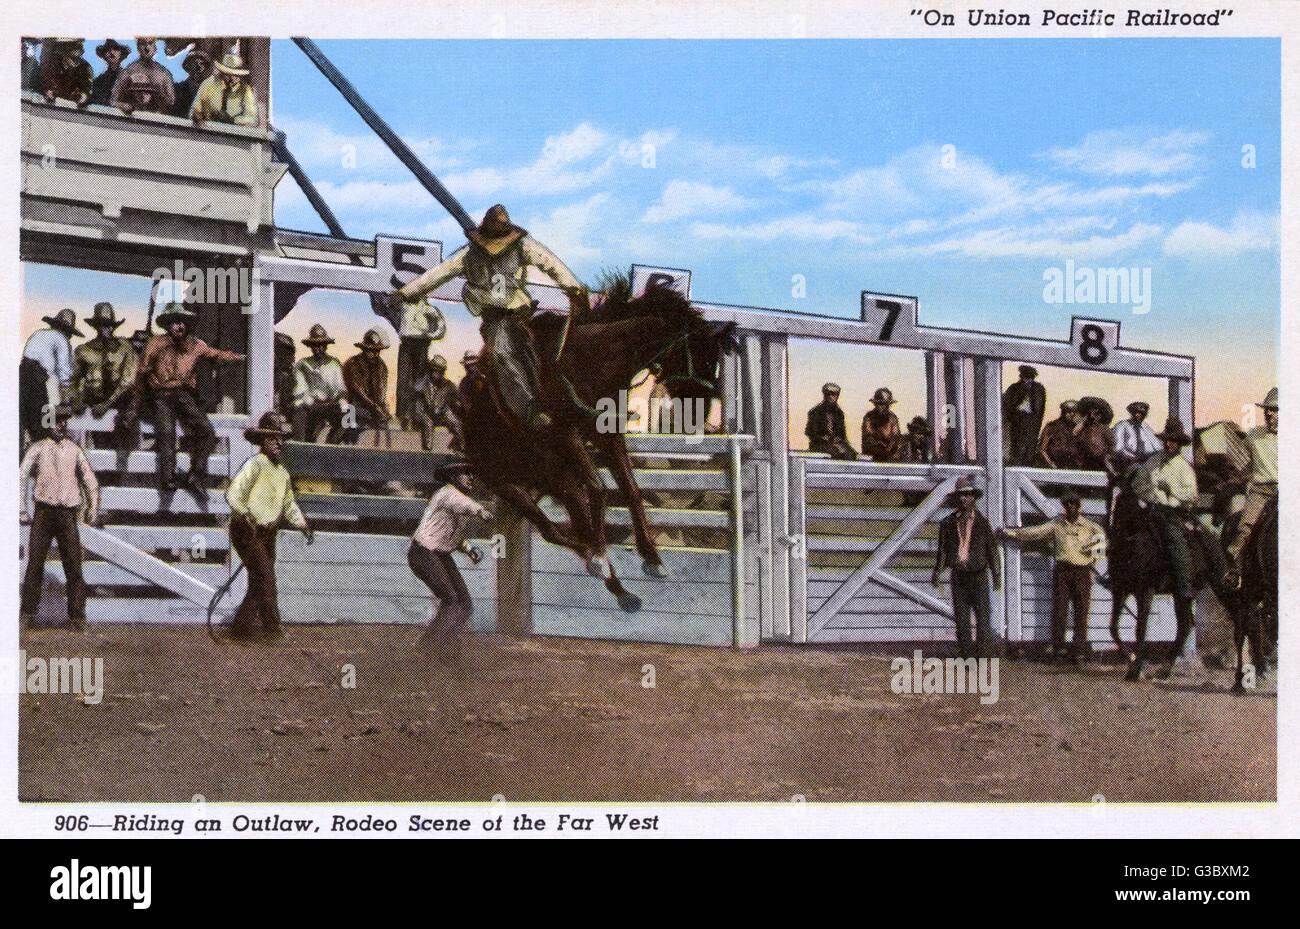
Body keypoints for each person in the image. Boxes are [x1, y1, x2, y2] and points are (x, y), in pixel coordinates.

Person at [389, 204, 589, 433]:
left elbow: (550, 263)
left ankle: (576, 399)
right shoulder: (469, 255)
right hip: (495, 320)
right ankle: (530, 412)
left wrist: (574, 289)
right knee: (502, 353)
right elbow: (439, 273)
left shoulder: (522, 247)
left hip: (520, 313)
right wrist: (406, 292)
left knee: (557, 339)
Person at [135, 303, 245, 493]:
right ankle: (168, 478)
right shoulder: (155, 343)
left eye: (183, 322)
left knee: (207, 432)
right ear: (168, 324)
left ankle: (196, 474)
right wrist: (140, 400)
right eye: (175, 322)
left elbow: (218, 354)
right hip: (160, 396)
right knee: (167, 433)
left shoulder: (195, 345)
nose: (179, 326)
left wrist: (242, 357)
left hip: (184, 395)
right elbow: (142, 373)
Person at [224, 412, 313, 642]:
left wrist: (301, 523)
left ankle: (240, 628)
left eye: (281, 439)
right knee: (265, 577)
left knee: (259, 579)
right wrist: (246, 516)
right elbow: (234, 494)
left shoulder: (282, 473)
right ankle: (272, 630)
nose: (279, 443)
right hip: (247, 530)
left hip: (268, 532)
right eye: (273, 438)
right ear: (262, 441)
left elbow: (288, 503)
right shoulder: (255, 465)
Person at [999, 491, 1106, 663]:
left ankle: (1078, 651)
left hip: (1083, 572)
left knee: (1081, 612)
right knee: (1059, 611)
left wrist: (1092, 561)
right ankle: (1059, 649)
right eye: (1067, 504)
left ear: (1080, 506)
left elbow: (1101, 546)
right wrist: (1010, 533)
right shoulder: (1057, 525)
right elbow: (1034, 532)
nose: (1071, 507)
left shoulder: (1091, 527)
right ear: (1064, 507)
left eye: (1074, 504)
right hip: (1062, 572)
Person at [20, 405, 100, 630]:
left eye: (64, 421)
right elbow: (22, 474)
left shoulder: (74, 450)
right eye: (57, 420)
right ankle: (27, 615)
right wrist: (21, 508)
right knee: (34, 565)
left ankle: (77, 617)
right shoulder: (38, 448)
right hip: (43, 513)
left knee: (74, 566)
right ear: (48, 423)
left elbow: (90, 480)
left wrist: (93, 508)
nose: (61, 424)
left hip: (67, 515)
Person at [408, 463, 493, 659]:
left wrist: (468, 548)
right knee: (452, 601)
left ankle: (445, 646)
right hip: (423, 553)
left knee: (465, 604)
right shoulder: (448, 494)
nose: (471, 477)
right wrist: (480, 511)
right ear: (453, 476)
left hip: (437, 553)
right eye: (465, 473)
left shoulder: (456, 500)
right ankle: (427, 648)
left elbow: (449, 535)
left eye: (473, 473)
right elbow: (465, 505)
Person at [1131, 417, 1202, 640]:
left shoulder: (1183, 468)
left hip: (1173, 512)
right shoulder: (1153, 462)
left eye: (1174, 442)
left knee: (1174, 538)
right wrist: (1149, 493)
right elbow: (1137, 485)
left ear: (1180, 444)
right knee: (1129, 532)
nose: (1170, 444)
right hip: (1152, 509)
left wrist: (1170, 490)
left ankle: (1183, 583)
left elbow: (1191, 496)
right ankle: (1121, 575)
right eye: (1168, 440)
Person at [933, 476, 1001, 659]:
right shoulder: (948, 523)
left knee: (983, 618)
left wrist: (996, 574)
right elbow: (943, 549)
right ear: (957, 498)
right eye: (961, 495)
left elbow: (992, 549)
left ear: (973, 498)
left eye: (968, 495)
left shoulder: (983, 522)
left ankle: (984, 656)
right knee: (962, 619)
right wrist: (937, 571)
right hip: (959, 575)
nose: (964, 499)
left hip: (978, 575)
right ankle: (967, 656)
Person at [71, 302, 139, 472]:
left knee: (121, 441)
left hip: (120, 403)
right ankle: (102, 477)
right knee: (100, 445)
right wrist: (77, 398)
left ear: (113, 327)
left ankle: (119, 475)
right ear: (96, 327)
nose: (105, 329)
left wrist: (107, 404)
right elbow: (73, 380)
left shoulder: (125, 348)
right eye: (101, 325)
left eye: (108, 325)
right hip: (94, 405)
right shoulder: (83, 351)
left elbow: (128, 381)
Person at [1225, 388, 1278, 588]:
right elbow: (1245, 461)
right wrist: (1241, 476)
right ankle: (1234, 571)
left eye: (1274, 410)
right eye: (1267, 410)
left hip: (1288, 491)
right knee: (1245, 527)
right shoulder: (1254, 435)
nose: (1269, 413)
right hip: (1262, 491)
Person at [21, 308, 81, 448]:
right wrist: (66, 400)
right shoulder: (62, 341)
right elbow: (64, 374)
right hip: (38, 382)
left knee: (25, 420)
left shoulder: (38, 334)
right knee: (44, 423)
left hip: (23, 378)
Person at [395, 298, 446, 430]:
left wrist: (431, 334)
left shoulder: (428, 308)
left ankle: (418, 416)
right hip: (406, 344)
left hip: (421, 344)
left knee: (420, 382)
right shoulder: (404, 306)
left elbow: (440, 325)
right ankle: (404, 416)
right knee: (403, 381)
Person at [292, 324, 347, 443]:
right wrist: (310, 400)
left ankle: (331, 444)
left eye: (322, 345)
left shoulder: (334, 364)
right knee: (299, 415)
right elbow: (300, 389)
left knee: (348, 415)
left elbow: (340, 388)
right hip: (311, 405)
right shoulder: (303, 364)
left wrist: (340, 400)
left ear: (326, 346)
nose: (319, 349)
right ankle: (301, 447)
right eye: (315, 346)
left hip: (330, 404)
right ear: (310, 347)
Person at [341, 328, 392, 445]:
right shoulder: (353, 363)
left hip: (372, 407)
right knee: (348, 421)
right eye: (372, 351)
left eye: (377, 351)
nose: (375, 354)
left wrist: (382, 406)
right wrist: (374, 407)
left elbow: (381, 389)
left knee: (384, 427)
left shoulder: (381, 366)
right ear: (364, 349)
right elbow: (357, 389)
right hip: (353, 404)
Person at [413, 353, 465, 452]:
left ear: (442, 372)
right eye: (433, 370)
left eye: (438, 371)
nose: (435, 374)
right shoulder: (423, 384)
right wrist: (421, 415)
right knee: (428, 423)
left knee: (456, 423)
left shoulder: (448, 385)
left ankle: (462, 448)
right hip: (426, 413)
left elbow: (457, 400)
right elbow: (417, 403)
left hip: (443, 412)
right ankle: (427, 450)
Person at [190, 53, 259, 126]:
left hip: (233, 133)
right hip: (209, 131)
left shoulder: (245, 90)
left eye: (236, 75)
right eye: (229, 74)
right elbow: (195, 111)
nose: (233, 78)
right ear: (222, 73)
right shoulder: (208, 84)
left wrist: (232, 120)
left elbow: (253, 119)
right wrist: (199, 117)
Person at [110, 37, 174, 115]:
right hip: (133, 119)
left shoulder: (163, 74)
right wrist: (125, 106)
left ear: (155, 47)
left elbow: (171, 102)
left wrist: (159, 96)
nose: (147, 48)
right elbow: (113, 101)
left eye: (150, 43)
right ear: (138, 47)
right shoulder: (128, 71)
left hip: (156, 120)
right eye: (143, 44)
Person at [1002, 365, 1047, 466]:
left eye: (1030, 377)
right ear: (1021, 376)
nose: (1028, 379)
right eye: (1025, 377)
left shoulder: (1039, 388)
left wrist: (1037, 421)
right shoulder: (1014, 388)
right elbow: (1008, 405)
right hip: (1018, 419)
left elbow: (1041, 407)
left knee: (1031, 444)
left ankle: (1028, 464)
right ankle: (1016, 464)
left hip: (1032, 420)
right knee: (1017, 445)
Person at [805, 383, 856, 459]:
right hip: (819, 444)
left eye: (834, 395)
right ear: (824, 395)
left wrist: (839, 440)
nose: (830, 397)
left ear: (837, 396)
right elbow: (809, 432)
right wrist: (823, 438)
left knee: (851, 454)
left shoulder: (839, 413)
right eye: (828, 394)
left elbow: (842, 434)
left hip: (836, 444)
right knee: (836, 453)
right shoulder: (815, 412)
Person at [1110, 401, 1161, 475]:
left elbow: (1157, 446)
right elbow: (1118, 448)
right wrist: (1133, 457)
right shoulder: (1122, 426)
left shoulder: (1145, 427)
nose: (1138, 415)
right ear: (1131, 413)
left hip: (1145, 463)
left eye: (1142, 413)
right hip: (1127, 463)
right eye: (1136, 412)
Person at [41, 39, 92, 105]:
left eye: (78, 56)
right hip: (51, 105)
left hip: (72, 108)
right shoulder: (53, 64)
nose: (75, 60)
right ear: (64, 55)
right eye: (72, 56)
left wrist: (81, 97)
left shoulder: (85, 67)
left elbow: (87, 91)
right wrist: (48, 92)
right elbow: (45, 83)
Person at [1037, 400, 1082, 469]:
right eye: (1068, 411)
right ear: (1063, 412)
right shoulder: (1052, 426)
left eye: (1074, 411)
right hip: (1055, 466)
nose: (1072, 414)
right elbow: (1042, 449)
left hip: (1073, 467)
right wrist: (1051, 464)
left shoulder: (1077, 428)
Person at [860, 387, 902, 462]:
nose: (884, 407)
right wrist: (878, 444)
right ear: (875, 404)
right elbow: (868, 437)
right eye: (881, 404)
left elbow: (895, 437)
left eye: (887, 404)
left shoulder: (893, 418)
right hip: (872, 456)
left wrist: (889, 447)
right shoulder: (869, 417)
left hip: (889, 456)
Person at [1076, 397, 1115, 473]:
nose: (1093, 417)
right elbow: (1075, 434)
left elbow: (1112, 446)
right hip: (1085, 463)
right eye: (1091, 413)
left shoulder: (1104, 429)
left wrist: (1108, 458)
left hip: (1102, 463)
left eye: (1097, 414)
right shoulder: (1083, 428)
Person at [172, 49, 212, 118]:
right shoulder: (179, 88)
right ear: (188, 67)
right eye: (195, 63)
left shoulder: (209, 89)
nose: (199, 67)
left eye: (202, 64)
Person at [89, 39, 129, 107]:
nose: (111, 52)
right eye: (107, 50)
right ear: (104, 55)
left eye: (115, 49)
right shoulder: (100, 80)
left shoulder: (128, 78)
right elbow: (92, 98)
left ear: (121, 54)